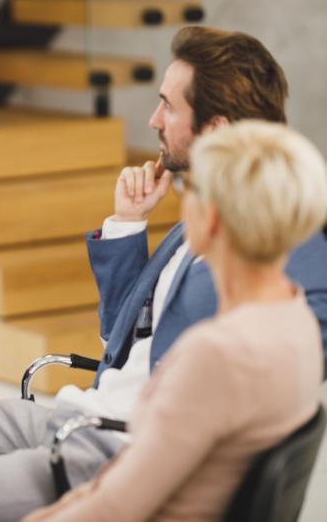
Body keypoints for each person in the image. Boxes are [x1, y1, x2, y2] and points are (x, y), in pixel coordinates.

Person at [0, 27, 327, 521]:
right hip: (87, 412)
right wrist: (128, 224)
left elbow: (250, 392)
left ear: (214, 128)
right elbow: (120, 338)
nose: (152, 120)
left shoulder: (282, 259)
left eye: (168, 106)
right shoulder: (204, 219)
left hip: (117, 445)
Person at [25, 120, 326, 521]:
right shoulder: (295, 318)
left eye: (190, 189)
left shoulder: (213, 350)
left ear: (212, 217)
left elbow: (114, 505)